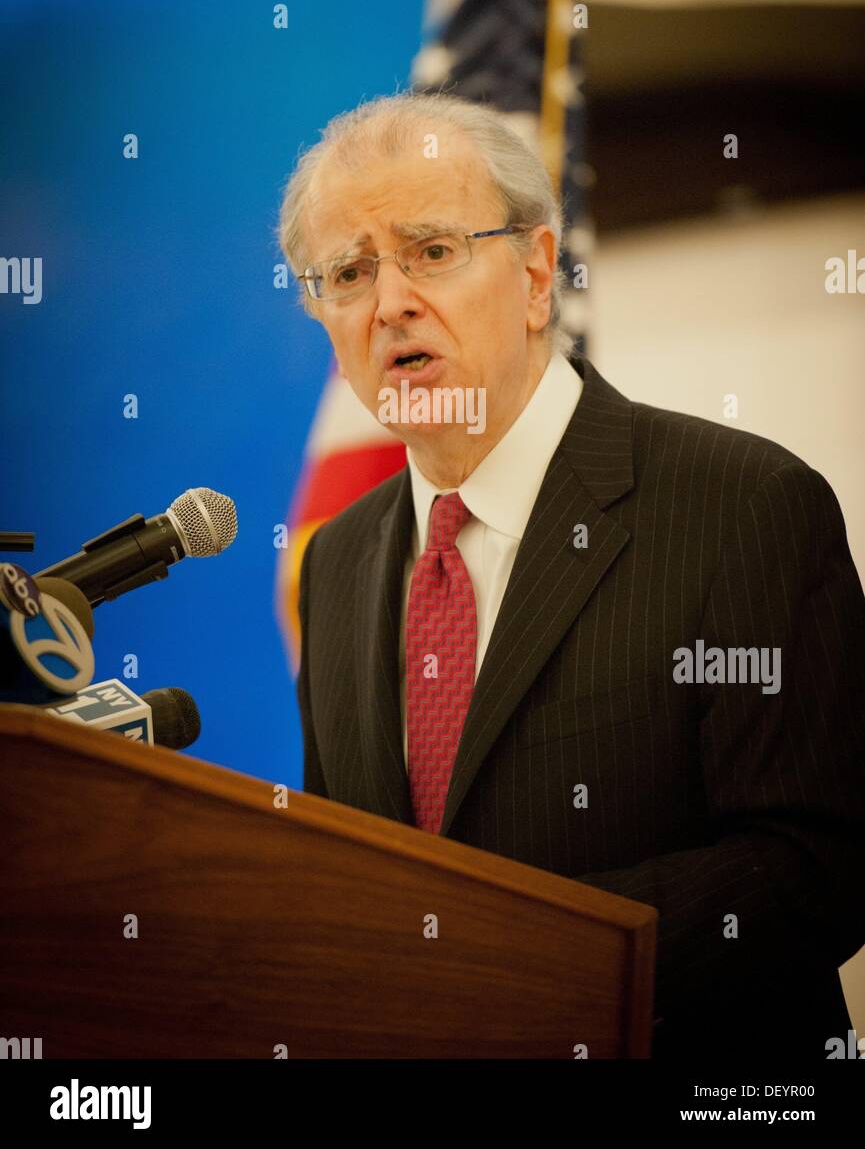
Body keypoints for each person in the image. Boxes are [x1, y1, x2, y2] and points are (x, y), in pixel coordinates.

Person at [278, 90, 865, 1059]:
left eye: (430, 250)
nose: (389, 302)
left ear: (537, 273)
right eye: (346, 272)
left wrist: (513, 963)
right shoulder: (335, 560)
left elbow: (816, 861)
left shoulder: (743, 503)